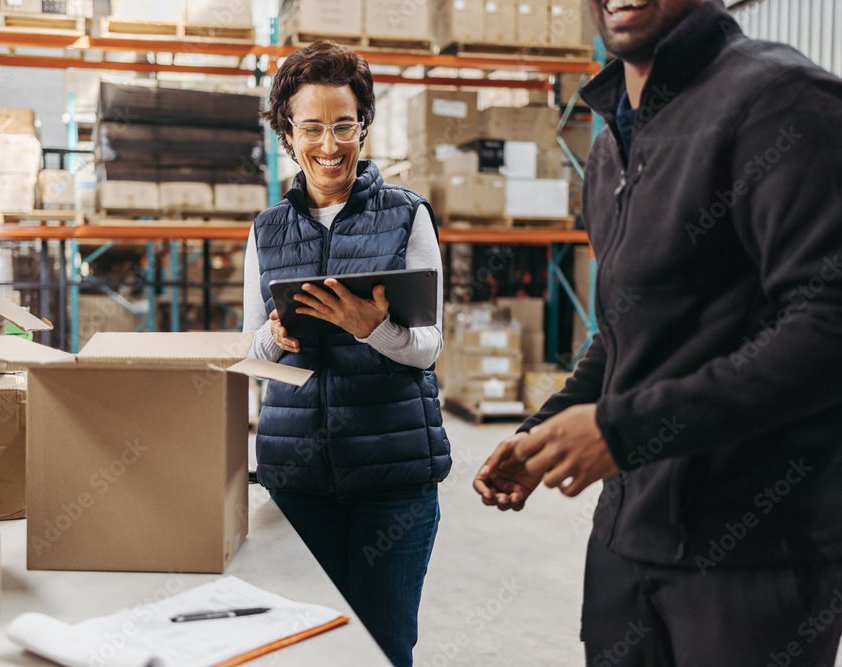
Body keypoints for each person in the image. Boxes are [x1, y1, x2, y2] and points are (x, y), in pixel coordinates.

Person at [474, 0, 842, 664]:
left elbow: (826, 326)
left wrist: (623, 432)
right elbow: (625, 332)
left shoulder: (782, 99)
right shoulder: (612, 138)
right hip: (626, 549)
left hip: (755, 563)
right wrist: (545, 429)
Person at [243, 40, 451, 667]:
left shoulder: (407, 215)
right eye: (311, 128)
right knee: (306, 651)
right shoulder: (266, 230)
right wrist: (275, 339)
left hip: (393, 480)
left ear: (364, 126)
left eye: (344, 125)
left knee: (384, 648)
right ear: (287, 133)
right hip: (298, 478)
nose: (329, 145)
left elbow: (428, 347)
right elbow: (250, 349)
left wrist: (373, 329)